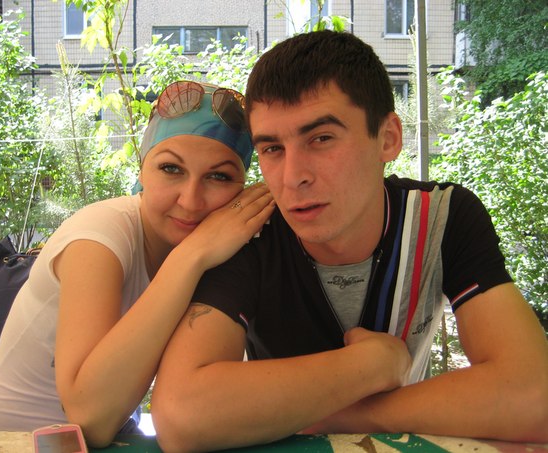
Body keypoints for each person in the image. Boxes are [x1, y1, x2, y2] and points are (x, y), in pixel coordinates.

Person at [151, 30, 548, 452]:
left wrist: (343, 413)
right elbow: (181, 416)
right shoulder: (249, 232)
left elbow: (534, 395)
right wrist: (371, 364)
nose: (293, 177)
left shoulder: (442, 218)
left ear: (388, 138)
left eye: (321, 139)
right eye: (272, 149)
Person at [0, 81, 275, 448]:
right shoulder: (100, 235)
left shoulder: (221, 252)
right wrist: (192, 256)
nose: (190, 200)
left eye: (219, 176)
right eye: (171, 169)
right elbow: (89, 417)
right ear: (142, 169)